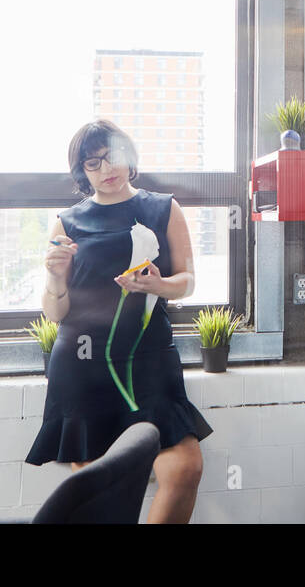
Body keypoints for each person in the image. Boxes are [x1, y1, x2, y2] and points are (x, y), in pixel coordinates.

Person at [25, 119, 213, 524]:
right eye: (93, 163)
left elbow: (187, 281)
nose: (106, 168)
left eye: (112, 156)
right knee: (102, 495)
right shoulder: (67, 222)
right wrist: (57, 277)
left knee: (184, 469)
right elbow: (55, 312)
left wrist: (158, 284)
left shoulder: (163, 208)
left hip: (149, 364)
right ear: (83, 173)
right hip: (83, 366)